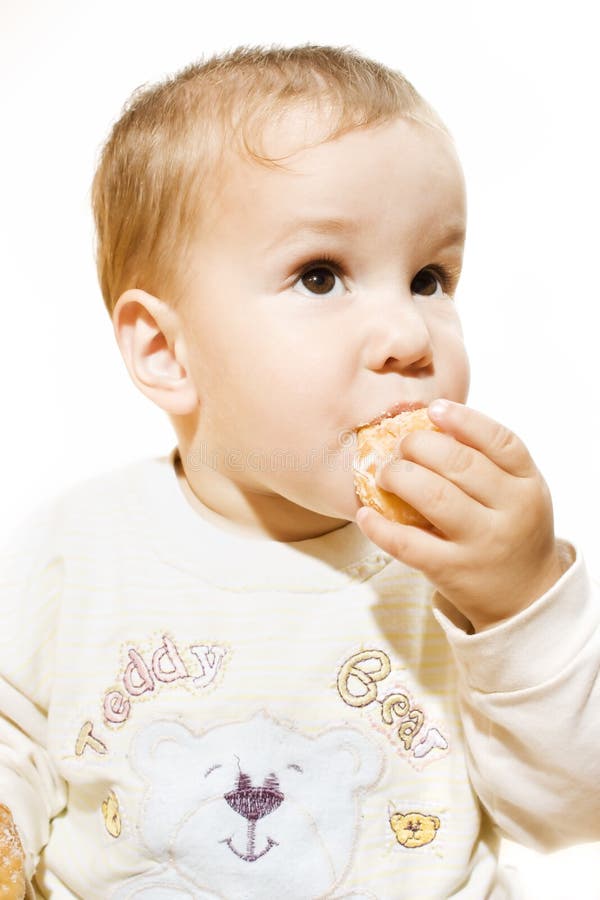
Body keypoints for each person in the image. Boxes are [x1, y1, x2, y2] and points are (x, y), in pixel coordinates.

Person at [1, 43, 598, 900]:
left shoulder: (460, 573)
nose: (408, 334)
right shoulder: (76, 551)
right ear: (167, 350)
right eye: (321, 276)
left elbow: (577, 809)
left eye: (430, 276)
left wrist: (521, 601)